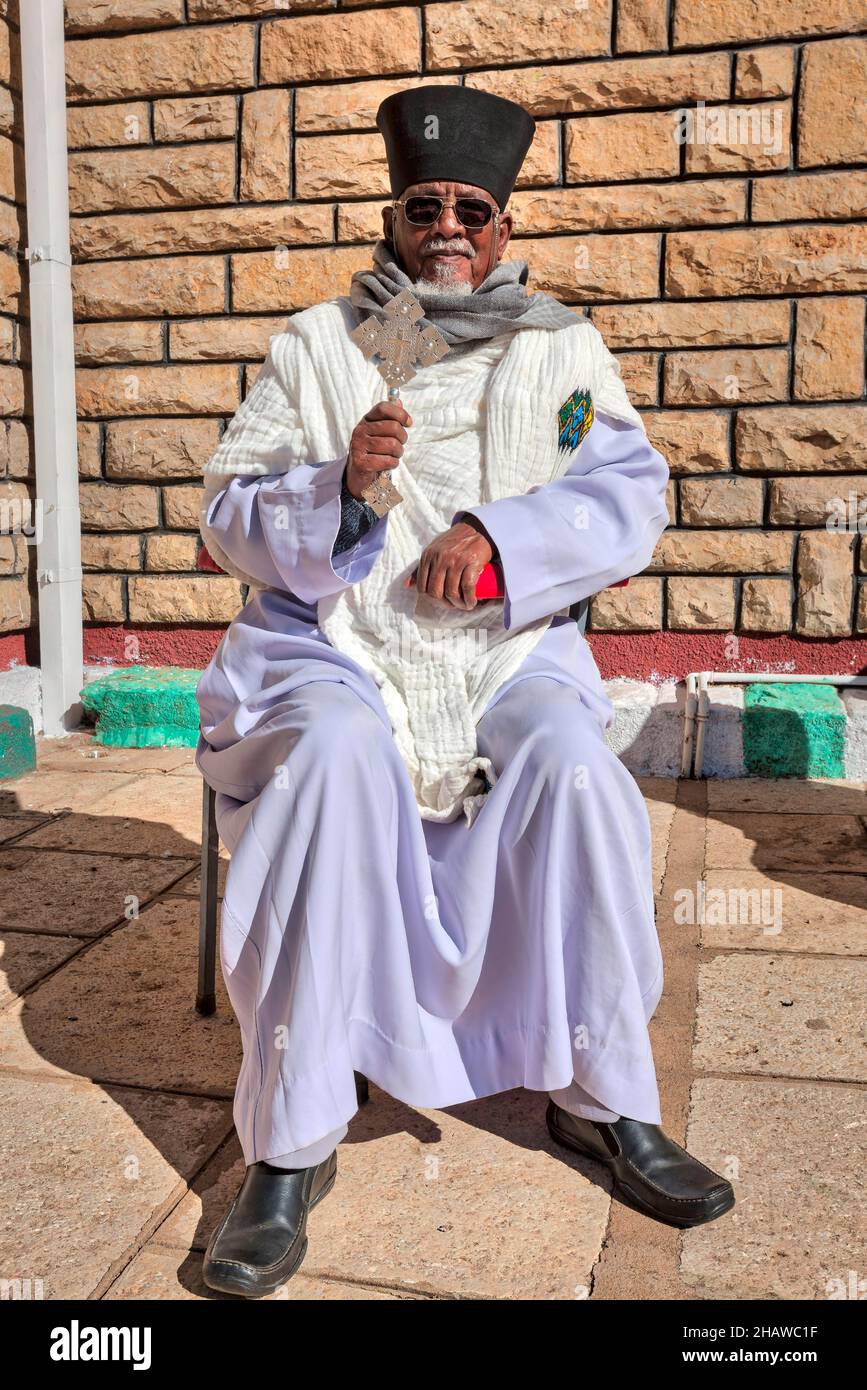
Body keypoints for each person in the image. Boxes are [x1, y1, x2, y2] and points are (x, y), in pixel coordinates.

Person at [194, 84, 734, 1299]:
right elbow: (228, 511)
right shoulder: (320, 342)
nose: (448, 225)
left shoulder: (563, 349)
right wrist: (332, 487)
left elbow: (631, 496)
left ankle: (604, 1097)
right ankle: (290, 1142)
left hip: (499, 650)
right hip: (334, 645)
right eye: (424, 204)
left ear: (502, 224)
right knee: (331, 760)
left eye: (472, 209)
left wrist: (499, 541)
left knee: (577, 768)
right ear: (393, 215)